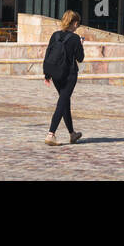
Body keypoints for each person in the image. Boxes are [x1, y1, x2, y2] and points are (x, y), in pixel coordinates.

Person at [43, 10, 85, 146]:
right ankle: (51, 134)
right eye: (77, 24)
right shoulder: (74, 38)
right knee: (62, 102)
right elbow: (80, 58)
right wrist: (81, 44)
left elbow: (48, 53)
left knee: (64, 101)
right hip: (69, 74)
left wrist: (47, 74)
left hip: (55, 74)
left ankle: (72, 134)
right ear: (75, 23)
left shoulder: (55, 35)